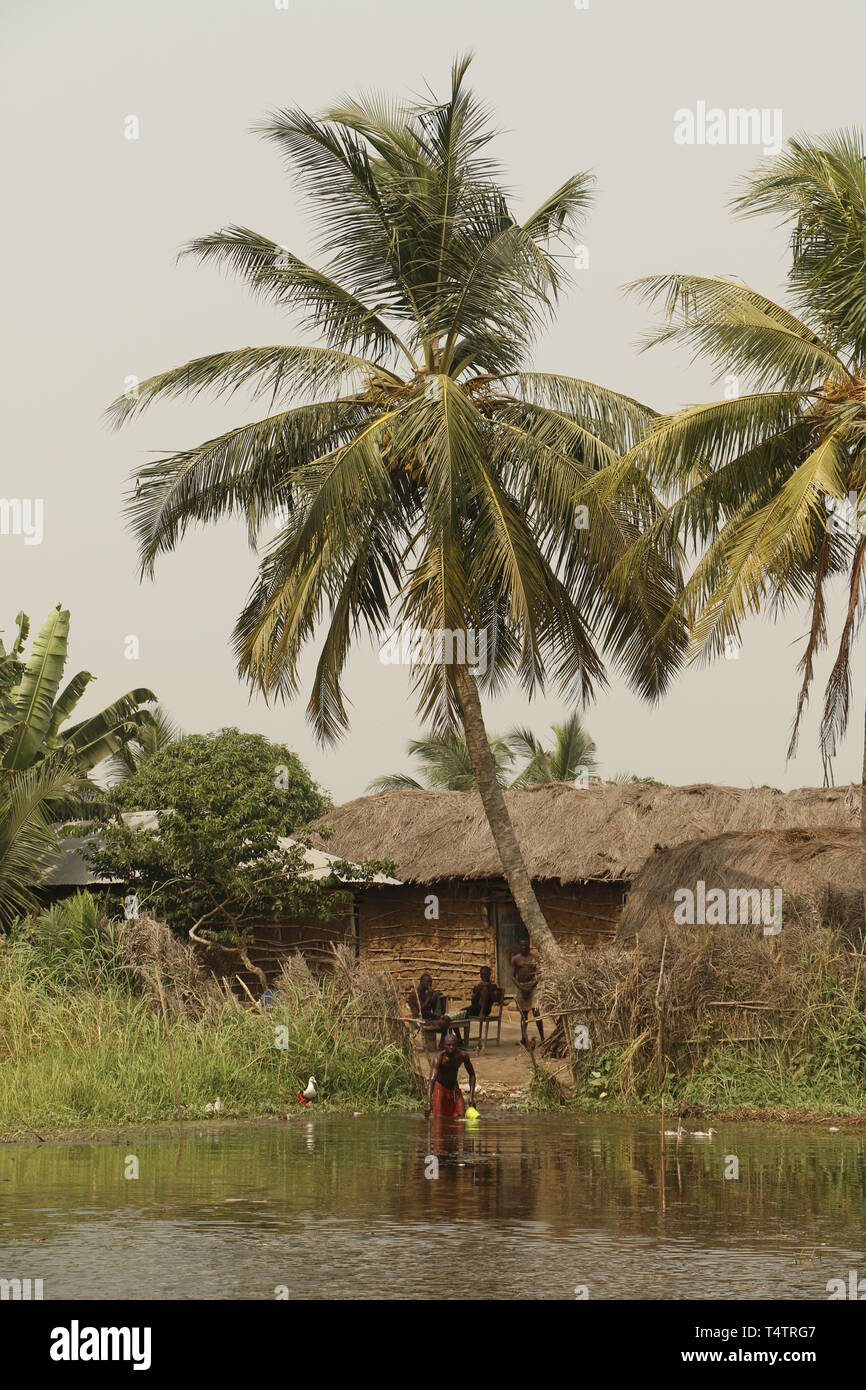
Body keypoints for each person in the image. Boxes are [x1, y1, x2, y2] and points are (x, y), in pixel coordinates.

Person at [425, 1032, 476, 1119]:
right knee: (439, 1118)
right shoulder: (439, 1058)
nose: (451, 1047)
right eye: (448, 1045)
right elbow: (432, 1080)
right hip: (440, 1087)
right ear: (444, 1045)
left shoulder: (462, 1056)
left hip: (454, 1087)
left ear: (457, 1045)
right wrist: (429, 1102)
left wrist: (471, 1096)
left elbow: (472, 1074)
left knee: (461, 1116)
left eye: (453, 1045)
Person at [511, 936, 544, 1046]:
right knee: (524, 1015)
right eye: (522, 946)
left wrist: (532, 986)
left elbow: (539, 974)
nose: (524, 947)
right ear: (519, 946)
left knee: (536, 1013)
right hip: (521, 987)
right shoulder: (516, 959)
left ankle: (543, 1038)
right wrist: (521, 988)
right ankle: (523, 1038)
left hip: (533, 987)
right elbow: (512, 976)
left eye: (526, 946)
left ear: (529, 946)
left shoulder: (534, 958)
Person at [407, 973, 452, 1046]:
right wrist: (429, 996)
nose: (430, 984)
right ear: (421, 982)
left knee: (447, 1018)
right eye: (427, 982)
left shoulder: (425, 992)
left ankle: (442, 1042)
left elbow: (427, 1011)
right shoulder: (415, 994)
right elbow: (420, 1010)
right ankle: (441, 1043)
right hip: (419, 1020)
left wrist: (436, 1016)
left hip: (427, 1018)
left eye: (431, 982)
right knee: (442, 1023)